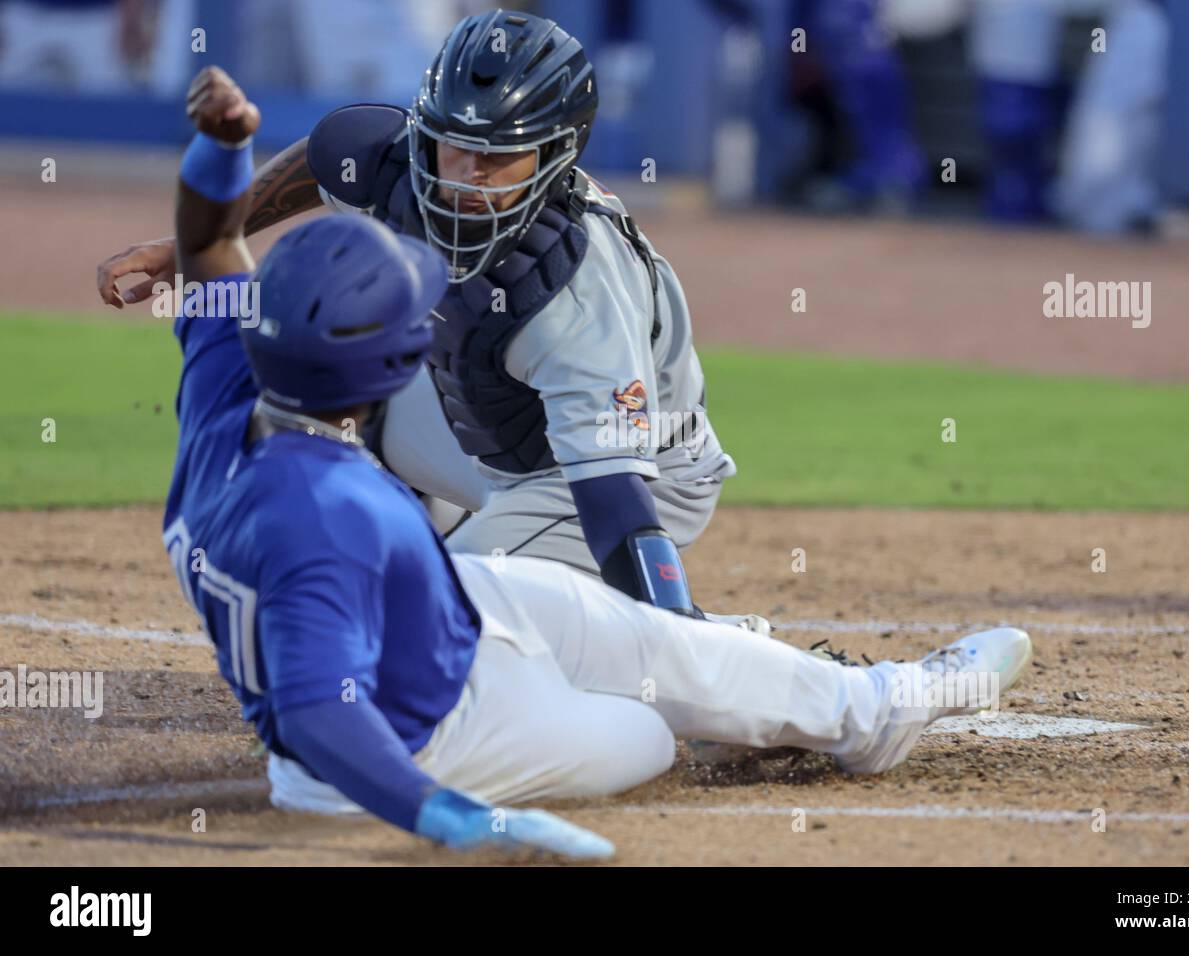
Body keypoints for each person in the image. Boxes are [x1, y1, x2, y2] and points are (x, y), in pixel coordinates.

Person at [163, 64, 1033, 859]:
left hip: (446, 612)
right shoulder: (333, 514)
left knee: (634, 631)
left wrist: (223, 148)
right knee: (648, 732)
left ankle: (881, 706)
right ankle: (772, 686)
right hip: (429, 737)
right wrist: (453, 816)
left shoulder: (226, 384)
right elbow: (319, 714)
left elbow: (208, 245)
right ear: (393, 370)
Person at [99, 9, 759, 628]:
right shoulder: (400, 164)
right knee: (322, 369)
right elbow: (328, 156)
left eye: (499, 155)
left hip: (618, 474)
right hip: (483, 428)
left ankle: (731, 645)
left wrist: (680, 648)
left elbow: (618, 511)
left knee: (427, 629)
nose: (469, 175)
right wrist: (192, 244)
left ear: (557, 153)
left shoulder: (576, 293)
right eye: (455, 146)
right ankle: (426, 528)